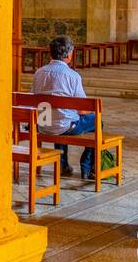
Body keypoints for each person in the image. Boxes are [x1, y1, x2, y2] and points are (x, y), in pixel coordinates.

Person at [32, 34, 97, 179]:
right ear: (68, 55)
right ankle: (87, 166)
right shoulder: (72, 76)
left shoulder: (39, 72)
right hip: (65, 126)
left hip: (43, 123)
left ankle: (63, 165)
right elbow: (82, 108)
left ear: (51, 53)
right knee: (96, 121)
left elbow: (34, 99)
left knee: (59, 117)